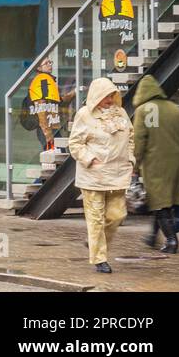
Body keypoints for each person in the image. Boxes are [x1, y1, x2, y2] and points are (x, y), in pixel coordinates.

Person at [68, 77, 135, 274]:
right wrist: (89, 159)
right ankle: (100, 258)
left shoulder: (121, 113)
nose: (110, 100)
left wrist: (131, 158)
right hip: (93, 176)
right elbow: (75, 143)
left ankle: (93, 242)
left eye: (112, 95)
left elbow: (131, 137)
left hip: (118, 174)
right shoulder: (84, 115)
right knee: (95, 219)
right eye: (106, 96)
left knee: (117, 215)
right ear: (96, 96)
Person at [133, 74, 179, 254]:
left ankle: (172, 241)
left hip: (155, 164)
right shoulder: (175, 109)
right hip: (176, 164)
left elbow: (139, 141)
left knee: (160, 203)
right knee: (162, 202)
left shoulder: (143, 110)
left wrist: (134, 165)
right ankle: (152, 237)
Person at [27, 57, 71, 151]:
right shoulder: (42, 80)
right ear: (39, 68)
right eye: (46, 63)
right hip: (47, 128)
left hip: (52, 125)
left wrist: (74, 93)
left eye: (50, 62)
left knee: (59, 156)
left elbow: (59, 102)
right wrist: (48, 134)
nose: (50, 65)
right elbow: (41, 108)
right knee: (53, 158)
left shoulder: (48, 80)